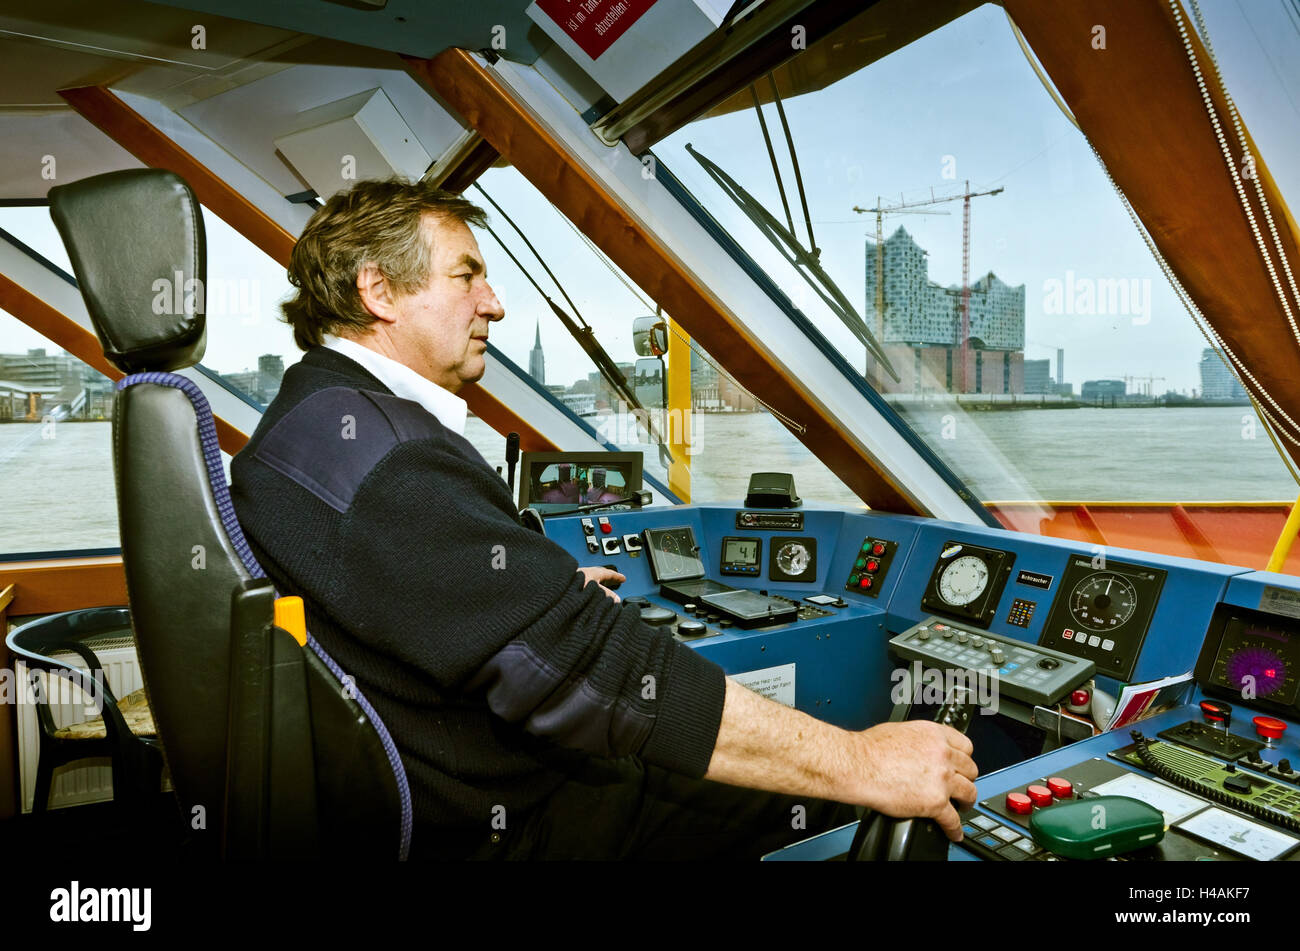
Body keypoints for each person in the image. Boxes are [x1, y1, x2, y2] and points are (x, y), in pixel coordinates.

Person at [229, 178, 977, 860]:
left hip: (435, 791)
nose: (492, 302)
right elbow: (601, 670)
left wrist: (546, 587)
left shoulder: (311, 422)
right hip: (502, 823)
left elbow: (419, 588)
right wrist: (862, 760)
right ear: (380, 290)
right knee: (804, 798)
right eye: (466, 274)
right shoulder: (389, 457)